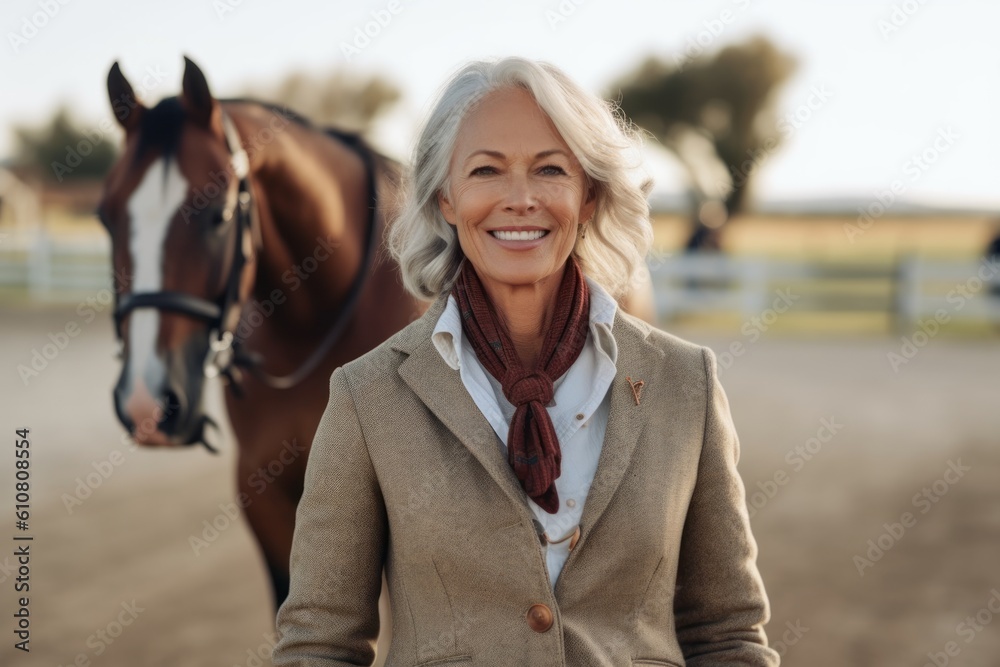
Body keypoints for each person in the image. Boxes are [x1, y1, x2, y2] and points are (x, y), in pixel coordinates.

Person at [271, 56, 779, 666]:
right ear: (446, 199)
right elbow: (319, 646)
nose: (520, 200)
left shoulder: (685, 382)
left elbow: (727, 634)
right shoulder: (368, 397)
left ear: (588, 196)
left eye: (550, 170)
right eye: (486, 170)